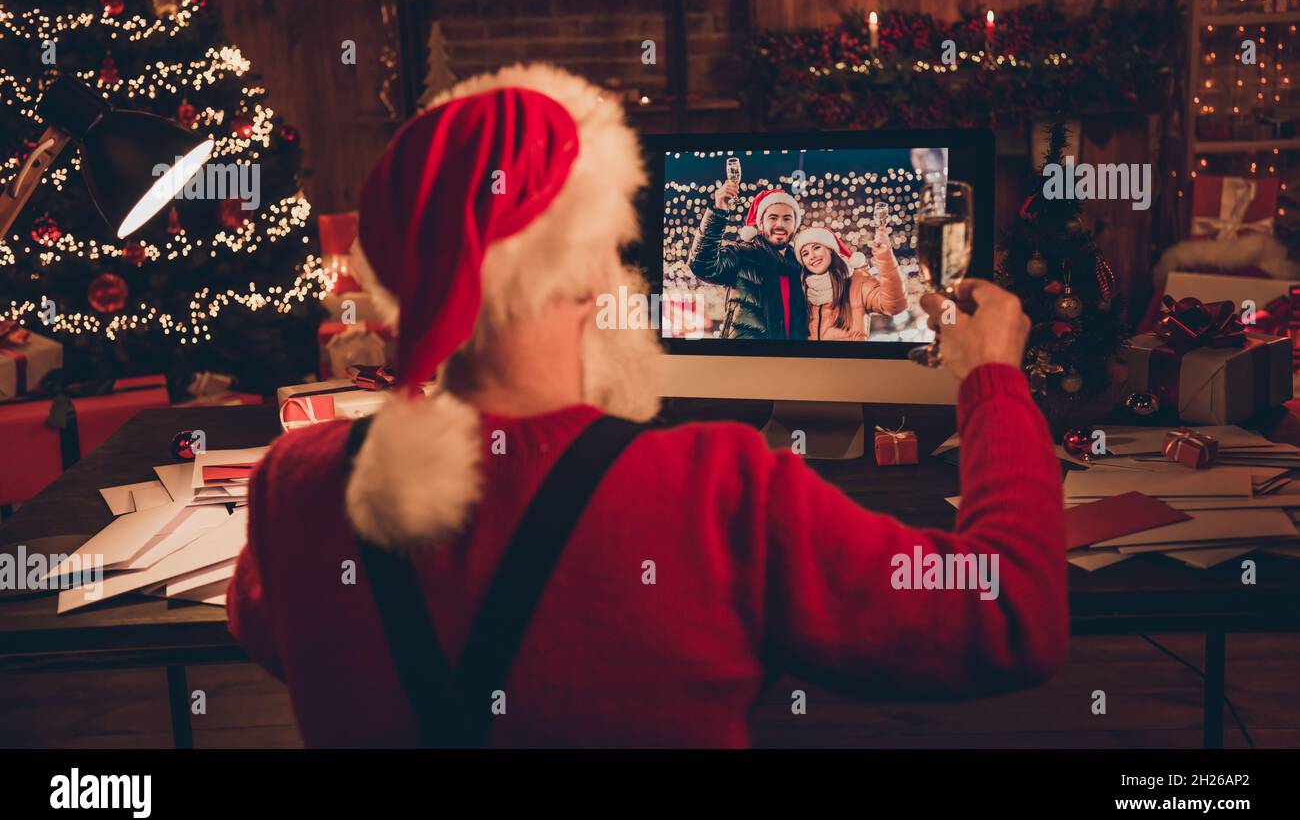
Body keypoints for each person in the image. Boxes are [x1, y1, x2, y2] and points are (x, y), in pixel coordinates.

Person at [227, 64, 1067, 748]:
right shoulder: (716, 492)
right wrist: (991, 375)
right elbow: (1013, 611)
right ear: (596, 266)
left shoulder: (293, 485)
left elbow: (275, 631)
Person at [687, 179, 807, 339]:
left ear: (795, 225)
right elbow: (702, 265)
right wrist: (719, 211)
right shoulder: (742, 254)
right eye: (772, 218)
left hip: (792, 360)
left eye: (787, 218)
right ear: (761, 224)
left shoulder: (800, 264)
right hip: (746, 359)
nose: (780, 224)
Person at [794, 225, 907, 341]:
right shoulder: (805, 291)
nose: (812, 256)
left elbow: (894, 305)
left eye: (816, 247)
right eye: (805, 254)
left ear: (830, 249)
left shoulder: (857, 281)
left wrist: (885, 256)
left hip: (850, 359)